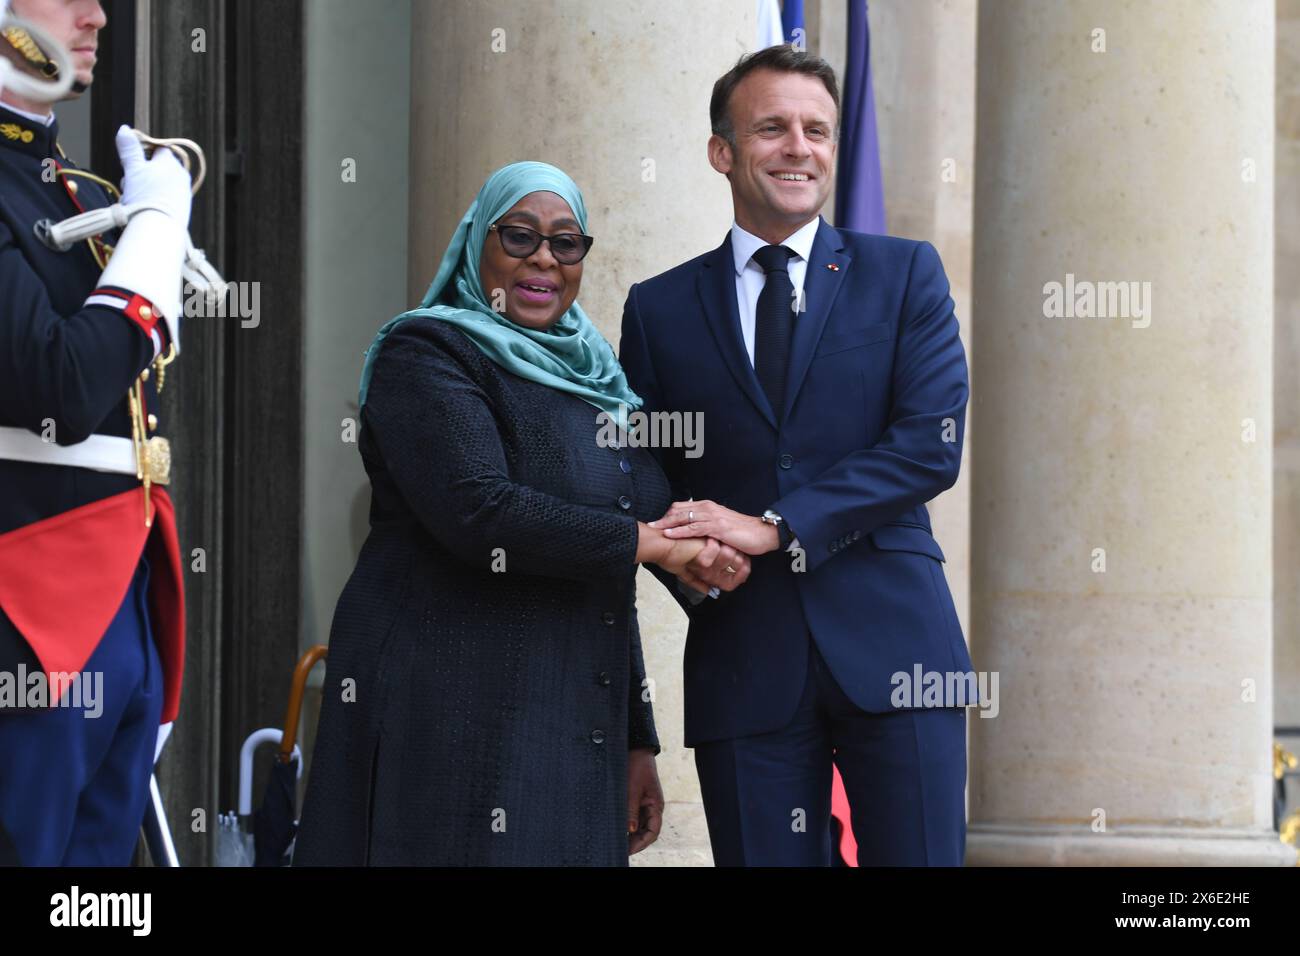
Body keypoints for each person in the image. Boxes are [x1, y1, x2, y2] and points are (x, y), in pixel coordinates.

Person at [294, 161, 749, 866]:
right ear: (479, 243)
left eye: (567, 242)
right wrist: (652, 544)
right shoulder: (427, 351)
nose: (544, 257)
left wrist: (635, 739)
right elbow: (481, 509)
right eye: (520, 236)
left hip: (569, 725)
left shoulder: (594, 382)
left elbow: (613, 564)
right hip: (448, 712)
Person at [618, 45, 973, 866]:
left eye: (817, 130)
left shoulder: (905, 274)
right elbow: (642, 469)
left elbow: (929, 447)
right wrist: (686, 560)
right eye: (771, 128)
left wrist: (774, 525)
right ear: (723, 152)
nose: (798, 147)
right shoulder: (660, 307)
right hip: (744, 658)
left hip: (899, 652)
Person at [0, 0, 192, 866]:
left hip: (116, 587)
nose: (97, 15)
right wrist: (155, 232)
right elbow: (66, 385)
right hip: (25, 602)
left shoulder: (76, 190)